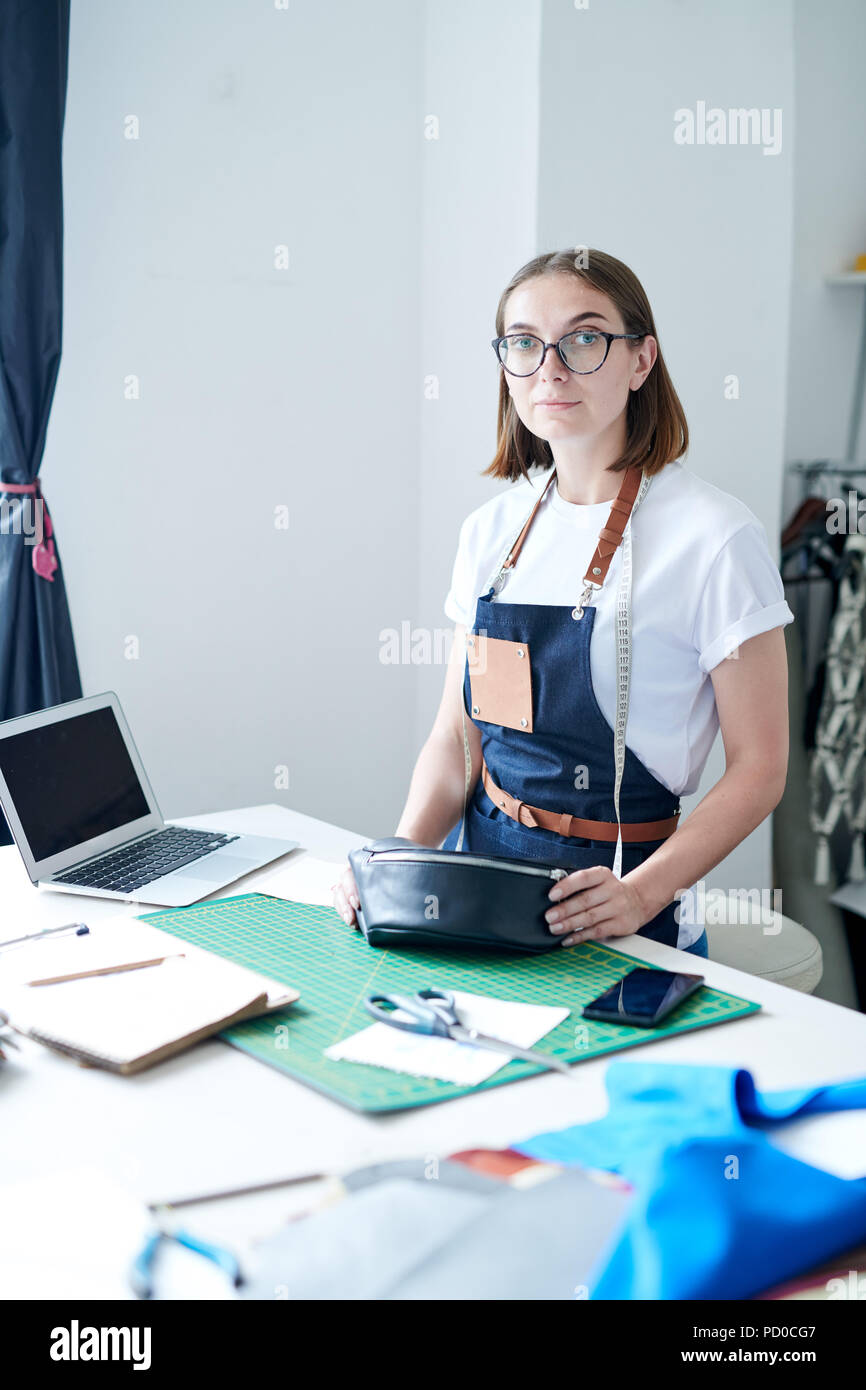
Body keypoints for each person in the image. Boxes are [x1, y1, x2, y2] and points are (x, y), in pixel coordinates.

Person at [334, 247, 794, 955]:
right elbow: (458, 737)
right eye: (524, 343)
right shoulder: (490, 533)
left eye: (584, 338)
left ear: (642, 361)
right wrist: (400, 858)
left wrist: (640, 893)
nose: (550, 366)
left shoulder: (716, 538)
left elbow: (761, 768)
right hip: (474, 887)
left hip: (620, 906)